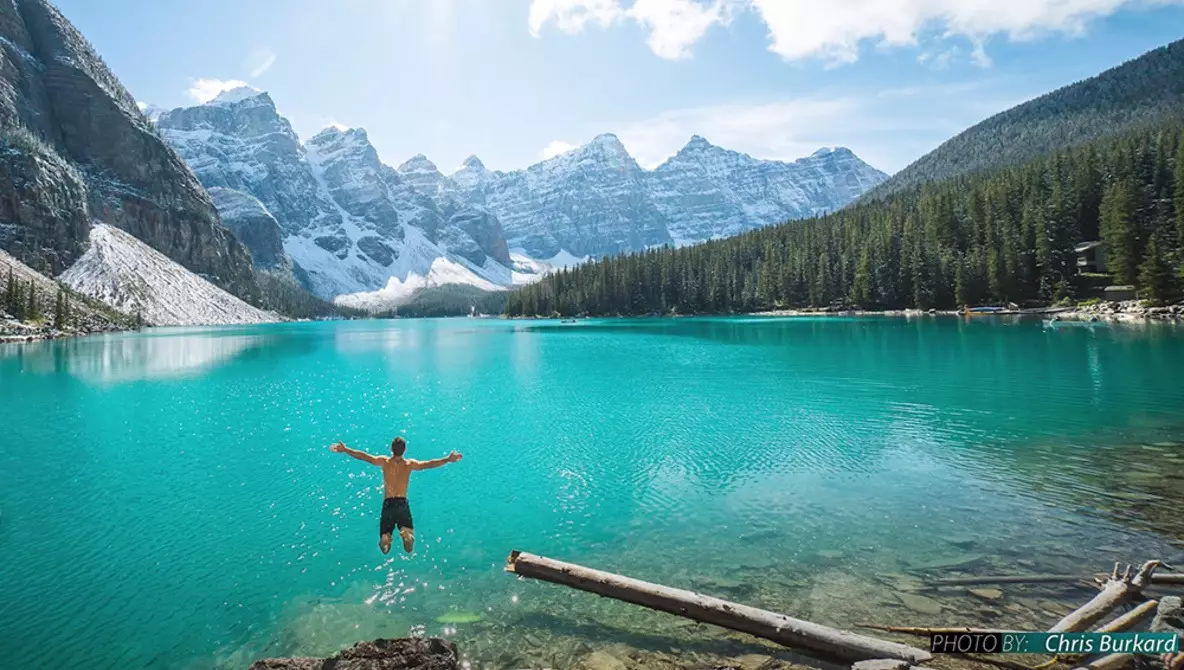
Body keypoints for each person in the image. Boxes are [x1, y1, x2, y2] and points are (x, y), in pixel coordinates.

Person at [330, 436, 462, 554]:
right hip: (402, 503)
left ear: (391, 449)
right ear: (404, 450)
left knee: (385, 550)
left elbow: (364, 456)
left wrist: (346, 449)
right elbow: (429, 464)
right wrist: (448, 459)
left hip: (388, 504)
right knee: (409, 548)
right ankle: (406, 534)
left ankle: (385, 539)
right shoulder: (409, 464)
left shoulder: (384, 462)